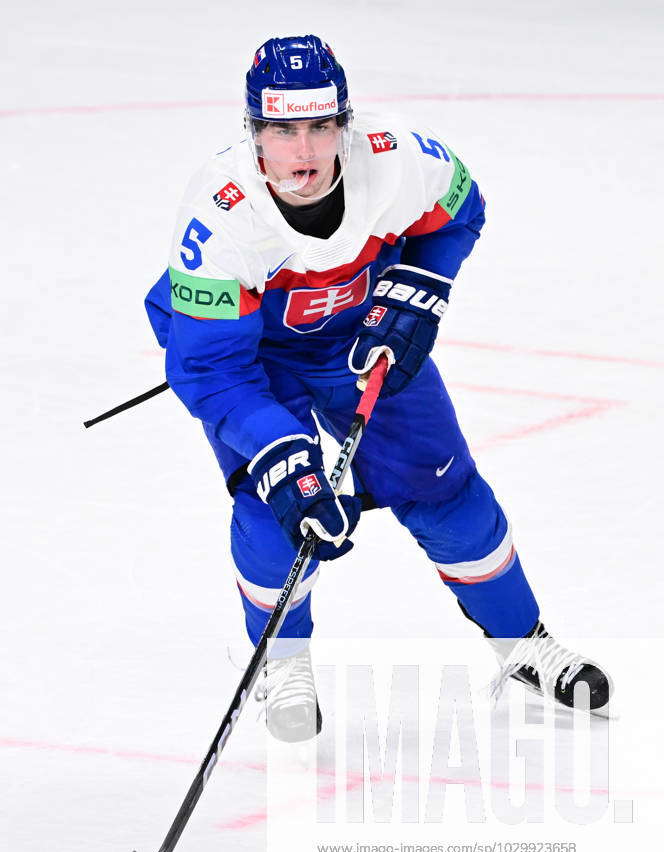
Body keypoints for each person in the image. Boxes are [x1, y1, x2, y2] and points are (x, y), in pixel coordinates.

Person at [144, 35, 610, 742]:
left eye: (318, 126)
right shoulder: (221, 220)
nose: (301, 152)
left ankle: (523, 645)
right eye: (280, 129)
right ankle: (283, 660)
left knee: (443, 486)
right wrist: (281, 455)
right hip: (251, 355)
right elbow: (211, 369)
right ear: (252, 130)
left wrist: (420, 285)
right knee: (278, 507)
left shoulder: (398, 164)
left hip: (361, 335)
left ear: (344, 123)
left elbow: (461, 210)